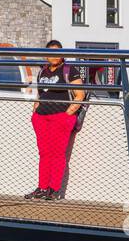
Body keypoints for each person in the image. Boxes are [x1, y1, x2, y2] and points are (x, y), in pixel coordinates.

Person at [25, 41, 84, 201]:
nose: (54, 55)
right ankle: (42, 188)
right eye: (51, 52)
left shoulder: (70, 70)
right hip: (42, 118)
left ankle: (54, 190)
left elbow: (80, 95)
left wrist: (67, 115)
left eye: (58, 52)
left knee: (58, 154)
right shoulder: (42, 71)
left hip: (61, 117)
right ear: (46, 55)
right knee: (44, 153)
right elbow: (40, 94)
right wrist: (35, 112)